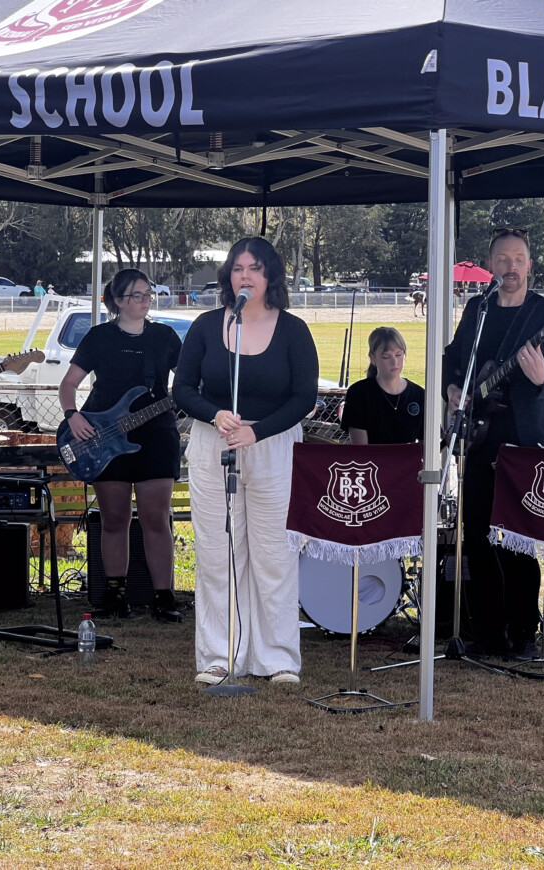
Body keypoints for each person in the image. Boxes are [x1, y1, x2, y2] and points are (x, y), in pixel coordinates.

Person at [173, 237, 319, 686]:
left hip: (273, 446)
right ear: (228, 277)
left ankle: (277, 659)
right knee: (219, 552)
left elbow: (304, 397)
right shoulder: (205, 325)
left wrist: (257, 430)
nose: (245, 276)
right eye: (238, 269)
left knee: (274, 553)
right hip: (214, 443)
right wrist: (215, 414)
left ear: (270, 276)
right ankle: (220, 656)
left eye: (254, 269)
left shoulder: (293, 329)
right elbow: (183, 389)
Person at [443, 227, 544, 661]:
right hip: (480, 438)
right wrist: (451, 389)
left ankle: (523, 630)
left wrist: (541, 380)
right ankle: (486, 632)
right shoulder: (478, 310)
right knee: (478, 535)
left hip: (529, 439)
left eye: (519, 259)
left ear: (530, 265)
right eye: (503, 259)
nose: (511, 267)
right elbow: (453, 356)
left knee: (518, 539)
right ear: (491, 266)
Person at [58, 268, 182, 621]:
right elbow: (69, 384)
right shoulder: (99, 338)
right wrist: (73, 415)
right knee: (114, 517)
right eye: (135, 296)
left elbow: (189, 380)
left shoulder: (165, 337)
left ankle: (164, 596)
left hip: (156, 434)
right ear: (116, 300)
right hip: (104, 436)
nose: (143, 301)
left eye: (147, 294)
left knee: (156, 517)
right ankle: (114, 595)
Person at [341, 326, 425, 445]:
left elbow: (427, 449)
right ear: (373, 358)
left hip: (408, 463)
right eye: (386, 356)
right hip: (371, 463)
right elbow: (360, 451)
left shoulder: (419, 395)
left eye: (399, 355)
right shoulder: (358, 394)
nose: (394, 362)